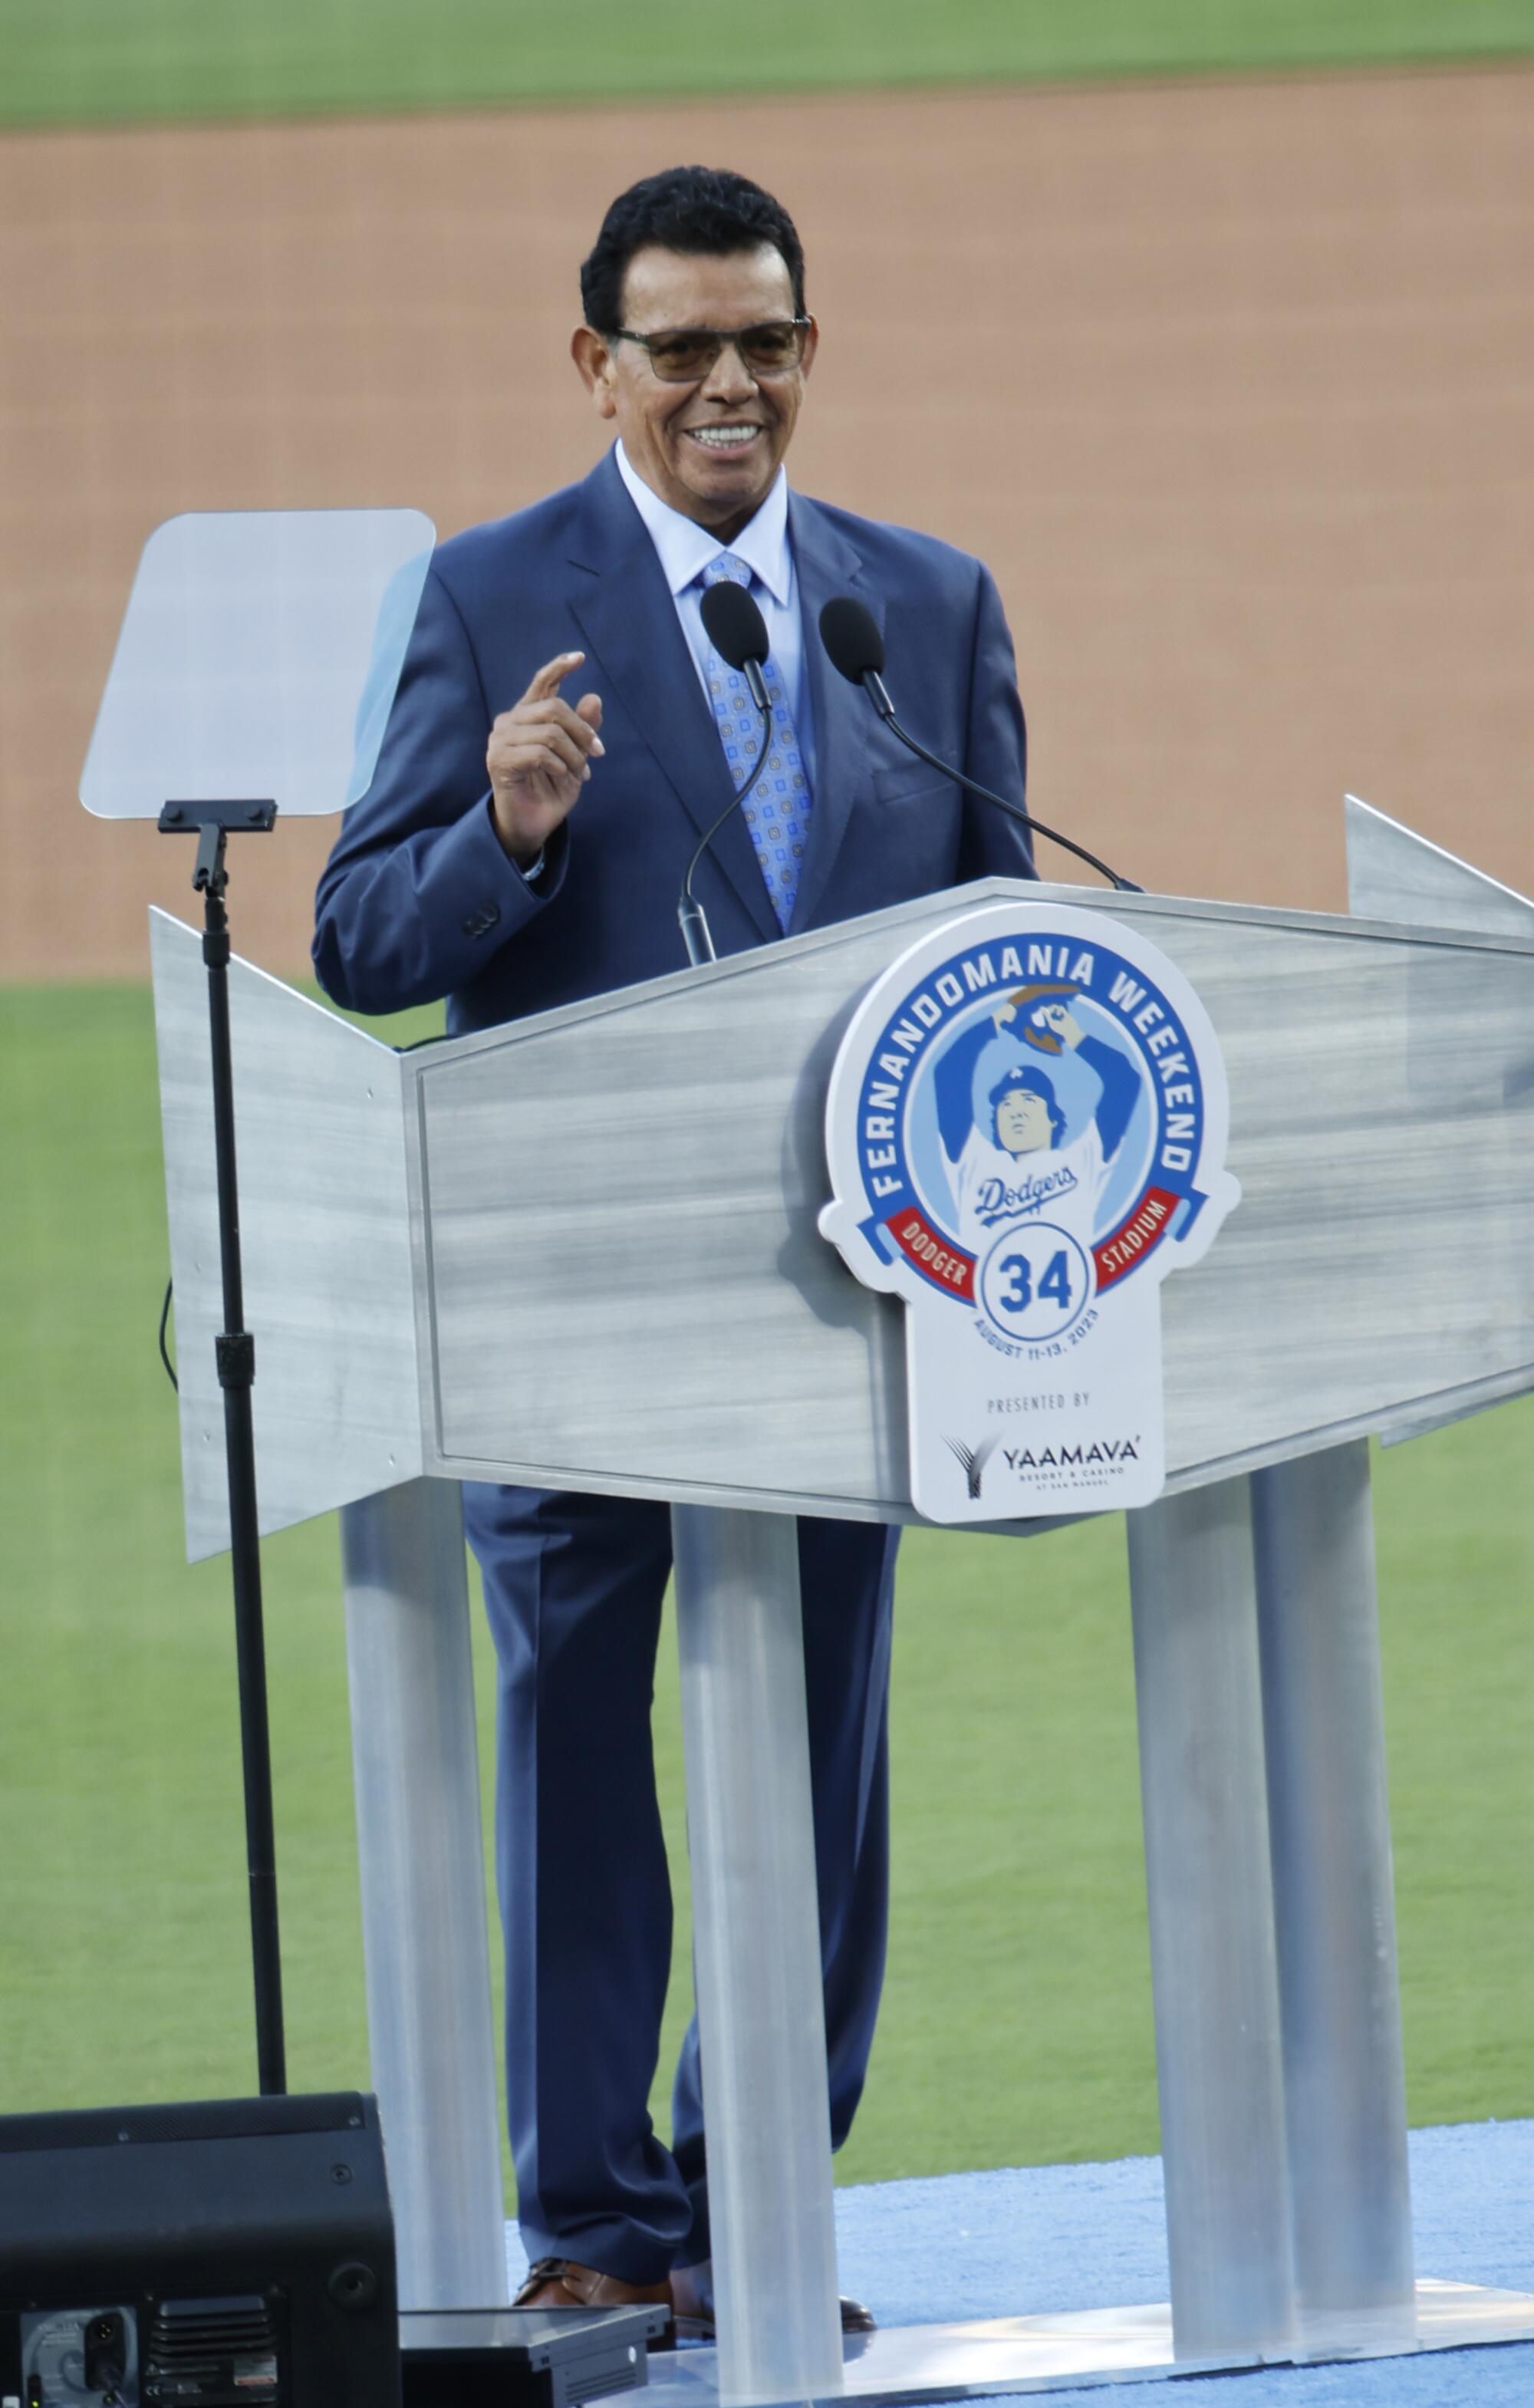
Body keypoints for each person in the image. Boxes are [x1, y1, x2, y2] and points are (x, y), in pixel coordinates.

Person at [313, 164, 1033, 2334]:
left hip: (847, 1306)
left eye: (766, 343)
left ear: (809, 351)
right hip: (574, 1300)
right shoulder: (483, 594)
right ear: (596, 362)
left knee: (822, 1739)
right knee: (575, 1749)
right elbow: (361, 935)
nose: (729, 384)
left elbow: (998, 936)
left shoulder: (922, 600)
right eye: (683, 347)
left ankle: (754, 2216)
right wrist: (504, 834)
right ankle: (597, 2223)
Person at [933, 995, 1141, 1254]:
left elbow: (1124, 1078)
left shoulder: (1084, 1159)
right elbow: (949, 1070)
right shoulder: (971, 1160)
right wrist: (1000, 1018)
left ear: (1053, 1118)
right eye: (1005, 1104)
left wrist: (1072, 1034)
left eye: (1029, 1100)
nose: (1015, 1112)